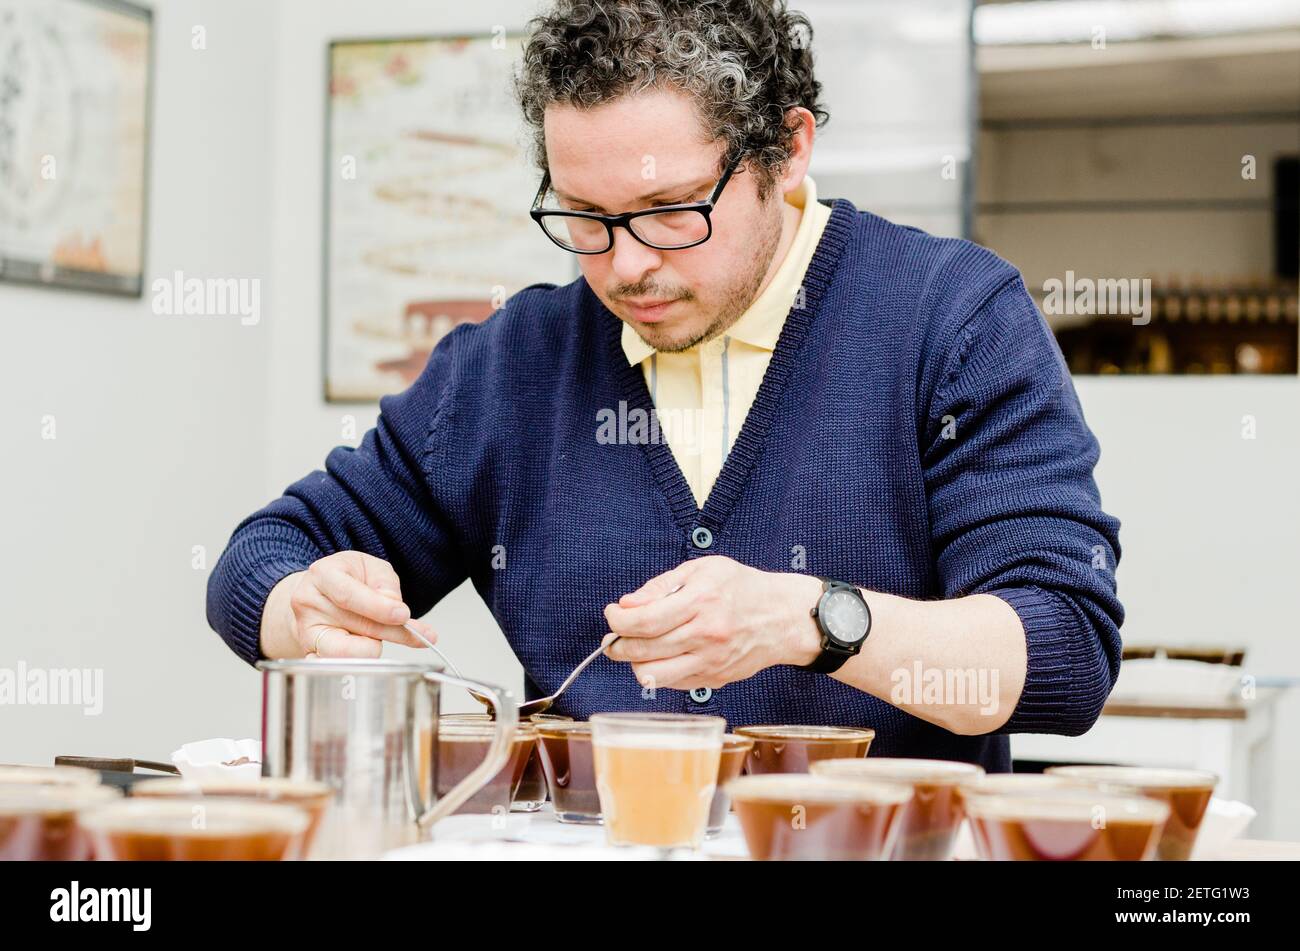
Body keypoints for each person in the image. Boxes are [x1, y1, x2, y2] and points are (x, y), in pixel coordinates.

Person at [208, 0, 1123, 771]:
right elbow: (260, 558)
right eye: (587, 218)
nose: (627, 268)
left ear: (787, 150)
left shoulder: (951, 319)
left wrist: (814, 620)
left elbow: (1065, 652)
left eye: (669, 212)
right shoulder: (509, 369)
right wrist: (302, 611)